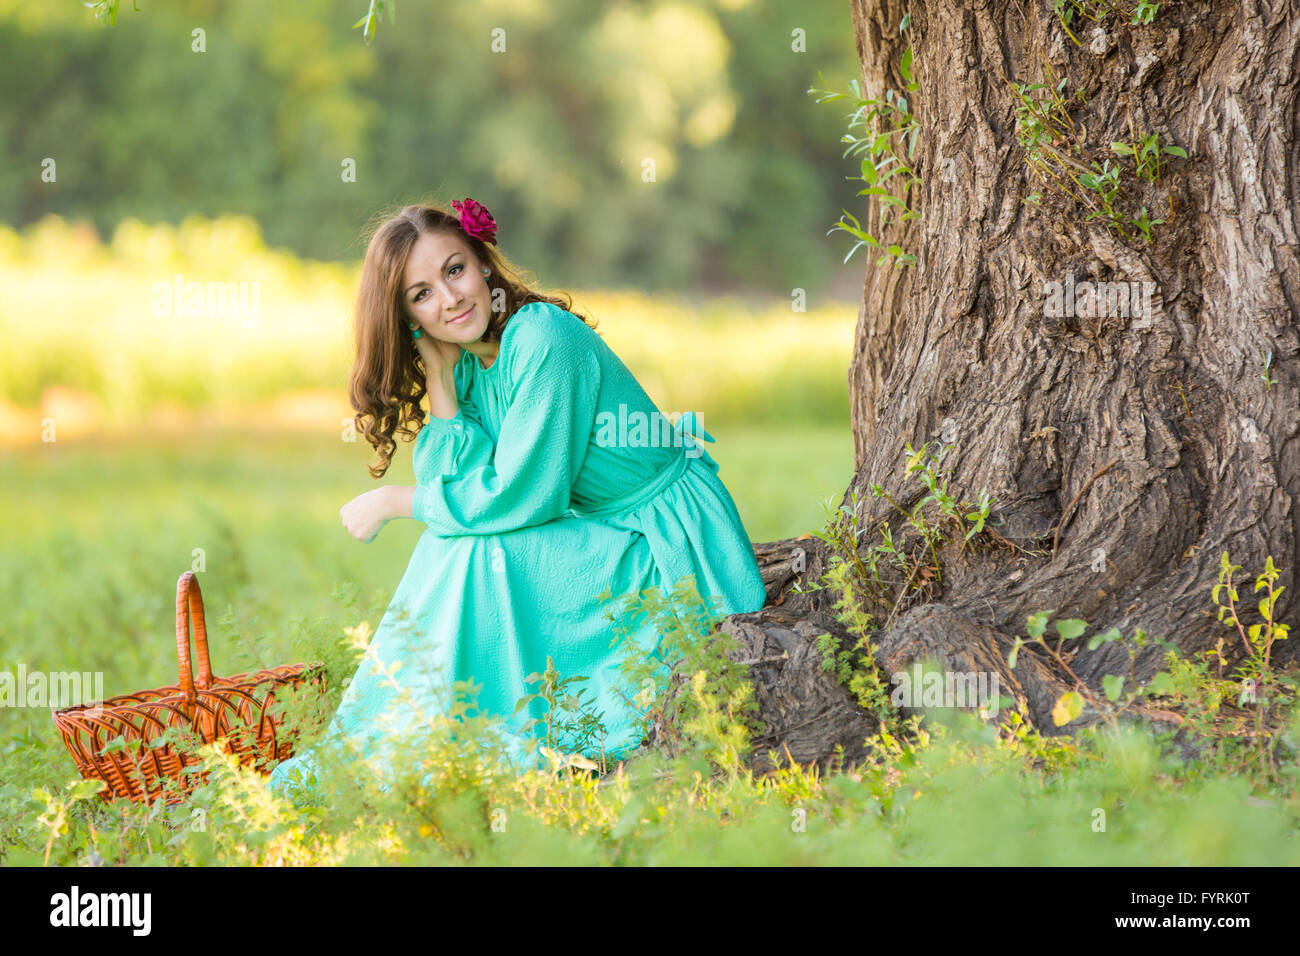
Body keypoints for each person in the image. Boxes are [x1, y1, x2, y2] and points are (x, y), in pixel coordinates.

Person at [267, 198, 767, 798]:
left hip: (670, 549)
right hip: (613, 536)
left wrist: (402, 501)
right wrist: (441, 380)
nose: (449, 300)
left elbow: (522, 498)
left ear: (483, 263)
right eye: (420, 294)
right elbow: (462, 483)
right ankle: (396, 739)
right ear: (406, 319)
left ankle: (443, 736)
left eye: (454, 270)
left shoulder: (543, 339)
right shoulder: (475, 361)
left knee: (475, 551)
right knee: (459, 546)